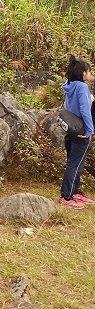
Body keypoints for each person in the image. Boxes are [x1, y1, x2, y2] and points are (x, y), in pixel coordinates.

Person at [60, 55, 95, 208]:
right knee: (74, 164)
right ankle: (66, 197)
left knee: (75, 163)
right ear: (83, 74)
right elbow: (85, 110)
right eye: (88, 72)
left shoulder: (68, 84)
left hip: (71, 129)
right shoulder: (82, 87)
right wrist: (89, 130)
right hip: (81, 130)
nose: (90, 74)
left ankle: (75, 191)